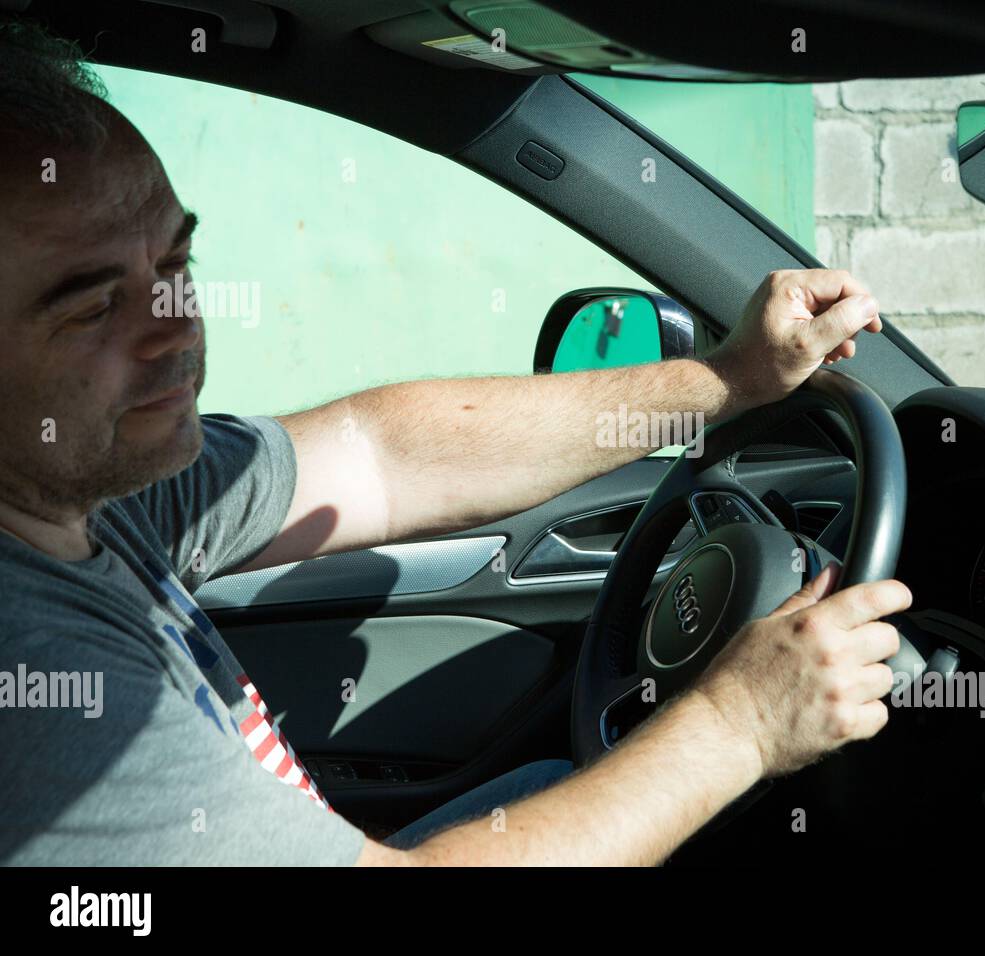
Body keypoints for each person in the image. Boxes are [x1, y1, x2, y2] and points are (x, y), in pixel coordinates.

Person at [0, 18, 911, 866]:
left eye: (173, 264)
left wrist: (730, 378)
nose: (175, 324)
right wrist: (741, 722)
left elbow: (381, 454)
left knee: (547, 788)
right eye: (90, 307)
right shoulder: (41, 684)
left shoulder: (96, 491)